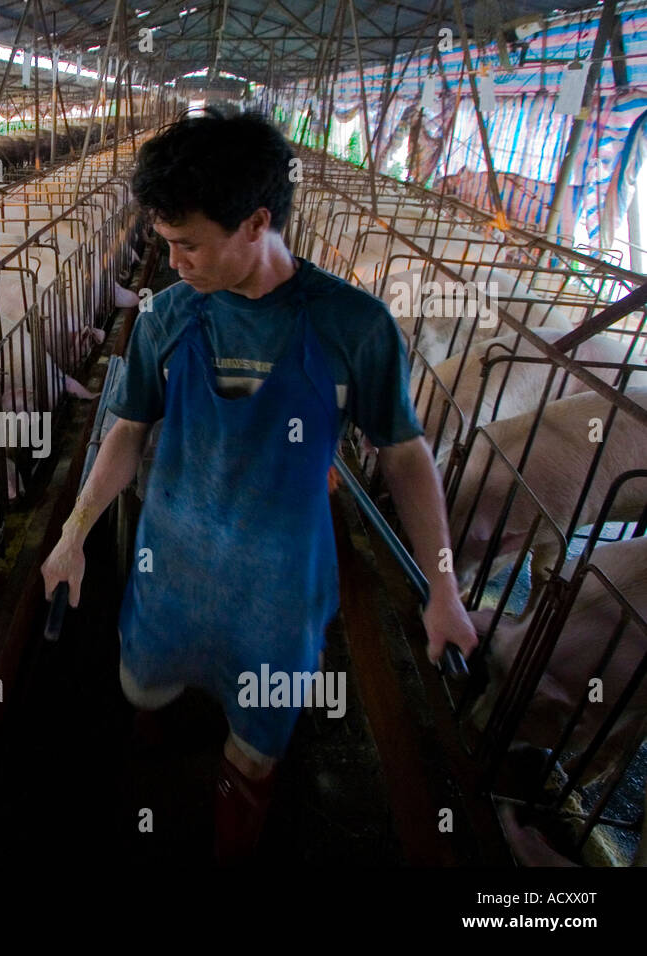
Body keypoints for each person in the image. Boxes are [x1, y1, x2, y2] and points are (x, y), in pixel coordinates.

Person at [39, 110, 479, 864]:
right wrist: (74, 533)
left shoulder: (355, 325)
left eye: (188, 245)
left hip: (279, 590)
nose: (171, 262)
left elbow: (404, 454)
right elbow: (127, 431)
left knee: (257, 743)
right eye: (167, 241)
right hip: (169, 567)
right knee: (144, 689)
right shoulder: (166, 318)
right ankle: (153, 776)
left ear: (257, 222)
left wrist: (444, 590)